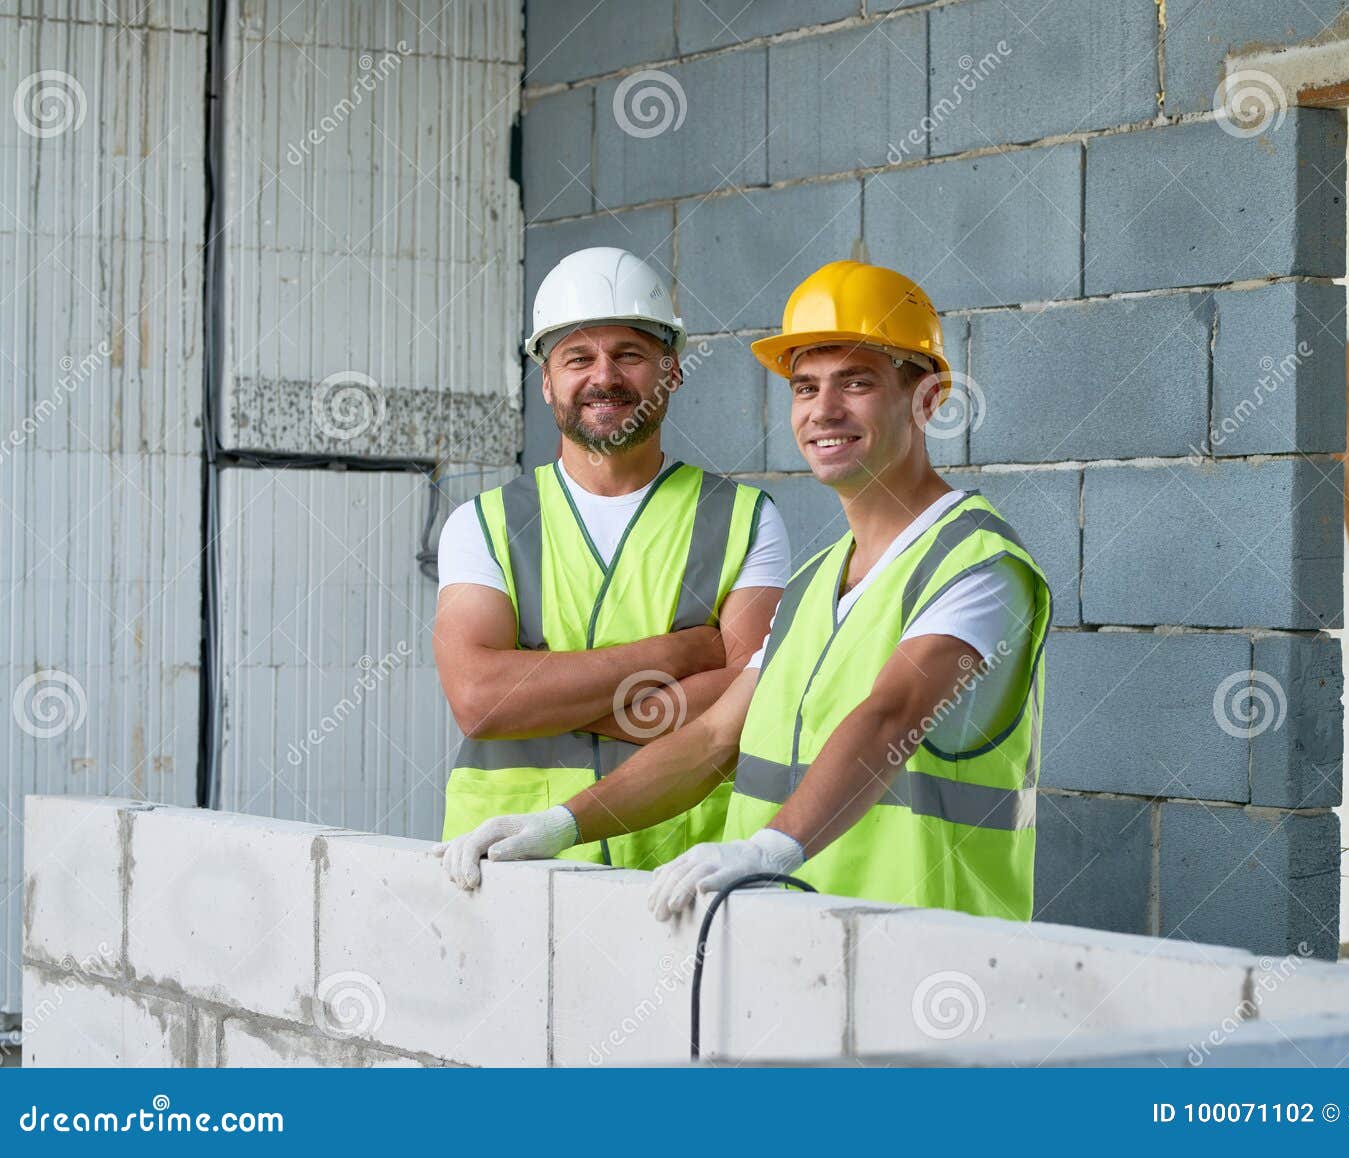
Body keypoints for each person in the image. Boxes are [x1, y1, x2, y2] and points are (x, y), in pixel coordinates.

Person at [437, 261, 1050, 924]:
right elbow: (711, 740)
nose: (824, 410)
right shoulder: (815, 582)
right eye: (806, 387)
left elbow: (891, 717)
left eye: (856, 383)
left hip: (920, 947)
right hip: (791, 938)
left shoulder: (978, 566)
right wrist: (560, 825)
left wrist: (767, 850)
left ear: (927, 400)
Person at [429, 247, 788, 887]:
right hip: (508, 867)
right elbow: (481, 700)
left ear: (671, 372)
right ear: (546, 381)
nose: (605, 376)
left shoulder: (745, 518)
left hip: (679, 869)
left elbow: (748, 701)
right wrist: (680, 653)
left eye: (629, 354)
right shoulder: (483, 524)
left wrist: (543, 699)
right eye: (578, 358)